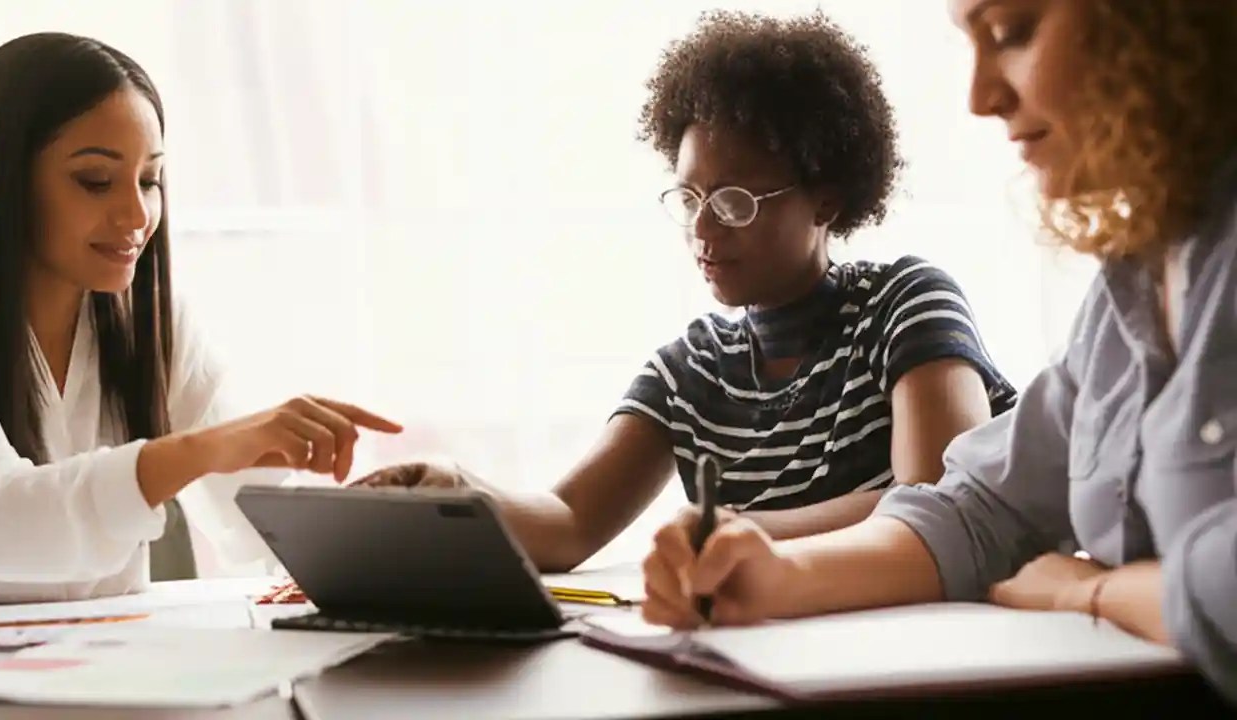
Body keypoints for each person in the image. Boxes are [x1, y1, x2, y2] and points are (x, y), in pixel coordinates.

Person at [640, 0, 1237, 703]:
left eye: (1011, 32)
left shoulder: (908, 300)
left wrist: (1090, 592)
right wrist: (781, 576)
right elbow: (980, 506)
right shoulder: (1135, 279)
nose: (980, 98)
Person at [355, 11, 1015, 572]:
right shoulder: (691, 371)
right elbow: (569, 521)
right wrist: (456, 489)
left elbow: (938, 494)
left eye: (732, 203)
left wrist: (738, 531)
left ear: (826, 201)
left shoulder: (906, 304)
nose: (701, 229)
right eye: (690, 198)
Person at [0, 32, 401, 605]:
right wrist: (198, 451)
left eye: (149, 180)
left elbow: (251, 517)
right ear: (0, 178)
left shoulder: (154, 327)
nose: (137, 215)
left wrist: (404, 519)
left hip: (111, 654)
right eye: (96, 182)